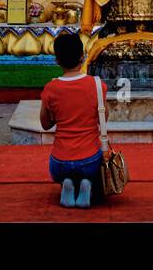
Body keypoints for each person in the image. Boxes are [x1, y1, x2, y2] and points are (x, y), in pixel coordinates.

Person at [40, 32, 108, 208]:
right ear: (83, 57)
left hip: (60, 161)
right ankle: (87, 182)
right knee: (93, 165)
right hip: (89, 160)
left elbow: (45, 124)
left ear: (57, 60)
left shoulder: (51, 88)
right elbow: (104, 118)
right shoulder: (97, 85)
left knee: (61, 169)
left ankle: (66, 182)